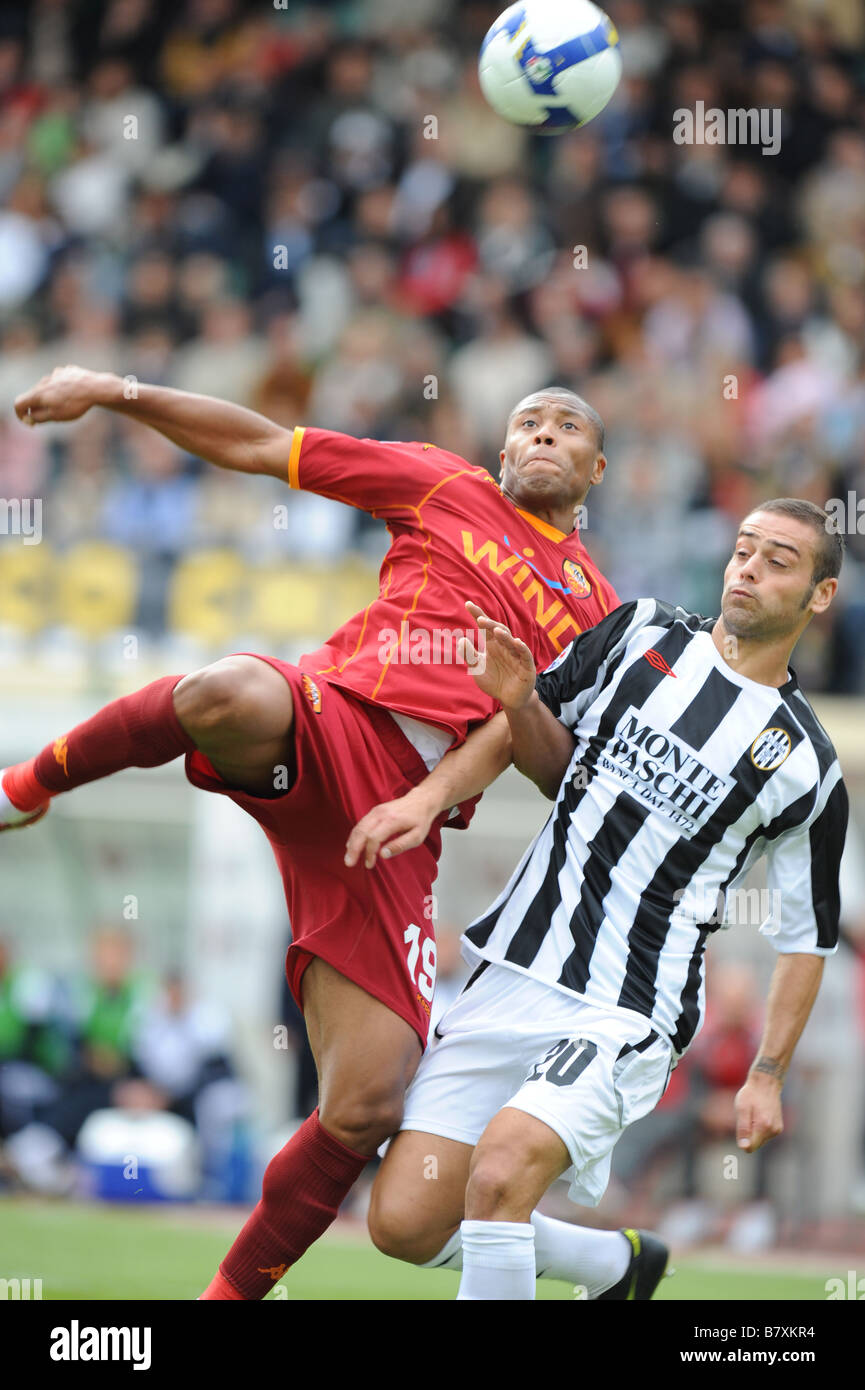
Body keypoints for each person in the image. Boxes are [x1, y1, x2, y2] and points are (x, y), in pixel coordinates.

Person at [2, 366, 619, 1299]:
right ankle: (26, 785)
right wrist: (114, 391)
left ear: (596, 466)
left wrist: (425, 799)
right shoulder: (441, 484)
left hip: (400, 824)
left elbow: (535, 754)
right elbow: (258, 444)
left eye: (564, 427)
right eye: (526, 421)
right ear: (500, 450)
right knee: (223, 690)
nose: (541, 435)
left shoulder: (600, 616)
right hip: (328, 719)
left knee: (366, 1103)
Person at [346, 499, 847, 1300]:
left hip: (624, 1007)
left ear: (820, 596)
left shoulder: (806, 765)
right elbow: (525, 737)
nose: (747, 568)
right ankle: (615, 1267)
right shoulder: (638, 633)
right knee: (403, 1224)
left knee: (503, 1169)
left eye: (777, 560)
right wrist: (428, 796)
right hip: (512, 968)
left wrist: (766, 1074)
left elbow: (805, 937)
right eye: (742, 549)